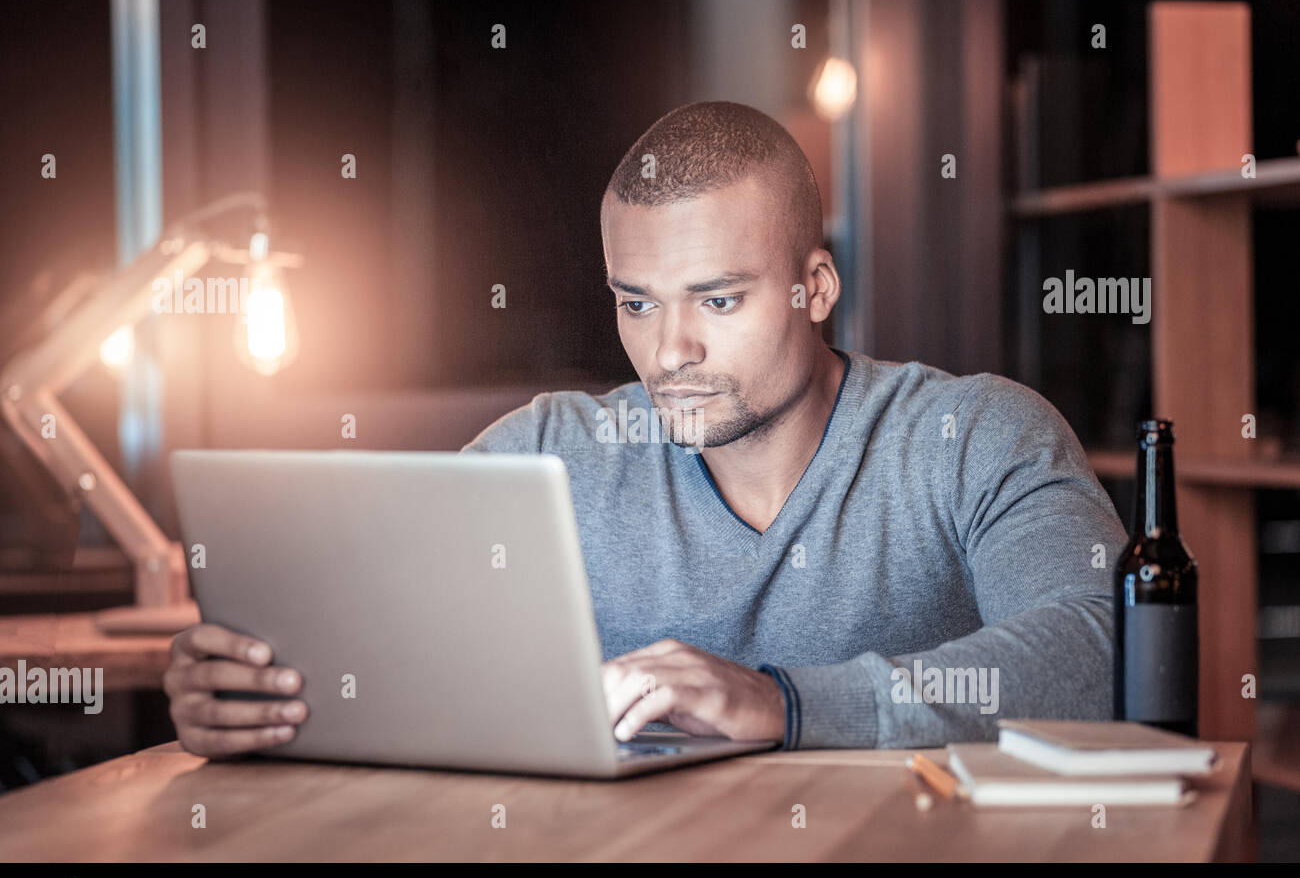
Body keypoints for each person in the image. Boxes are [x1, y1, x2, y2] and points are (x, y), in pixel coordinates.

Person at [165, 101, 1125, 758]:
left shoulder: (975, 437)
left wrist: (785, 705)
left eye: (717, 298)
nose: (670, 351)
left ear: (816, 288)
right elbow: (357, 627)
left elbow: (1103, 649)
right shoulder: (549, 454)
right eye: (636, 302)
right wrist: (252, 690)